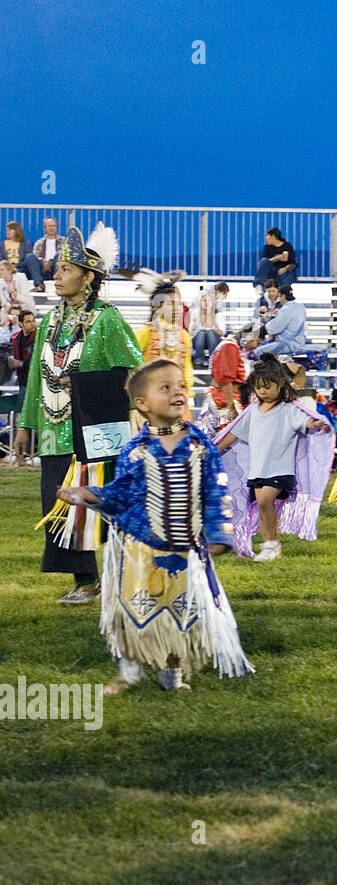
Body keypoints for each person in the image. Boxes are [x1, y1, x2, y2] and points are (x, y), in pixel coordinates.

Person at [55, 359, 253, 692]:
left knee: (180, 617)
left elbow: (216, 491)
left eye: (181, 386)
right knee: (130, 615)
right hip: (139, 551)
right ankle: (129, 673)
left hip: (185, 549)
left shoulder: (200, 446)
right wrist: (89, 493)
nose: (178, 392)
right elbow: (120, 493)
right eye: (166, 387)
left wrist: (219, 533)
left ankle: (172, 675)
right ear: (142, 404)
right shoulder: (135, 449)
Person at [16, 224, 143, 604]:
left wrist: (89, 384)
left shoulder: (108, 320)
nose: (56, 275)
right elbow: (38, 376)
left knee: (105, 508)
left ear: (88, 278)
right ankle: (85, 580)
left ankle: (128, 575)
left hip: (96, 431)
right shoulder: (50, 322)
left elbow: (136, 372)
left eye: (65, 270)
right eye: (57, 269)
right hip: (56, 429)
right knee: (59, 504)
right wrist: (25, 425)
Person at [216, 354, 332, 561]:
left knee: (264, 501)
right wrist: (214, 450)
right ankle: (269, 543)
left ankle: (271, 543)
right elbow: (233, 435)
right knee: (262, 506)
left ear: (280, 384)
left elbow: (305, 421)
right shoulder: (253, 412)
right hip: (258, 470)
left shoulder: (288, 410)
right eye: (258, 387)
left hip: (280, 469)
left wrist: (314, 424)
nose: (263, 391)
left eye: (268, 386)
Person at [128, 269, 196, 414]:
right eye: (170, 304)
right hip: (150, 404)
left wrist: (188, 402)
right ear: (157, 306)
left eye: (179, 304)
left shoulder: (183, 336)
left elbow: (187, 372)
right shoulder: (146, 332)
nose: (177, 309)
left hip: (177, 404)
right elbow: (133, 367)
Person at [196, 321, 247, 436]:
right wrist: (230, 404)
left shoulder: (226, 345)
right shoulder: (229, 346)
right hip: (225, 399)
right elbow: (226, 378)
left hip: (222, 397)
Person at [6, 310, 39, 466]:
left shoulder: (39, 338)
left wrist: (20, 364)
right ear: (21, 324)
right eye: (28, 322)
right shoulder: (16, 339)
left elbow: (38, 362)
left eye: (33, 321)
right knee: (21, 422)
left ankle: (38, 454)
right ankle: (20, 458)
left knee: (36, 421)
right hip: (23, 384)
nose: (32, 324)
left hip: (38, 385)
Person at [252, 284, 307, 358]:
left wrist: (267, 320)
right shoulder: (301, 307)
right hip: (299, 342)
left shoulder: (285, 309)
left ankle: (269, 369)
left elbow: (274, 329)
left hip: (288, 344)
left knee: (258, 352)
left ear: (283, 296)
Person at [4, 222, 45, 289]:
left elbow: (28, 260)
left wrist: (17, 266)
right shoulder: (2, 245)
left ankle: (39, 285)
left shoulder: (25, 244)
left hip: (22, 267)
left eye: (10, 230)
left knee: (30, 256)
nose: (8, 232)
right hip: (7, 268)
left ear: (17, 231)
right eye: (7, 230)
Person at [191, 290, 222, 369]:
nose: (206, 303)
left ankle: (213, 359)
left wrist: (216, 329)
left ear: (212, 303)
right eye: (204, 300)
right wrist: (194, 326)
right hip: (198, 340)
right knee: (201, 332)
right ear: (200, 302)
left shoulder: (217, 314)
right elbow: (191, 332)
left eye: (209, 301)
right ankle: (199, 359)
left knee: (210, 333)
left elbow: (222, 333)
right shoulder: (195, 313)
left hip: (213, 339)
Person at [0, 261, 37, 325]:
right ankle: (5, 331)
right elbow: (4, 302)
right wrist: (10, 308)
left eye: (2, 270)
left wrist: (15, 294)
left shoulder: (21, 278)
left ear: (10, 271)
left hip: (24, 305)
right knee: (3, 311)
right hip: (10, 307)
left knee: (20, 313)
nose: (0, 272)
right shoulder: (1, 282)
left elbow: (27, 299)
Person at [33, 217, 65, 289]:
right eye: (49, 226)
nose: (51, 228)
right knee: (30, 257)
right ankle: (39, 285)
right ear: (45, 228)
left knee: (58, 256)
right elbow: (36, 256)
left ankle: (59, 281)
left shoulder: (64, 241)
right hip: (42, 267)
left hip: (57, 266)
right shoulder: (39, 242)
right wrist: (43, 262)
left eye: (54, 226)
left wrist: (51, 262)